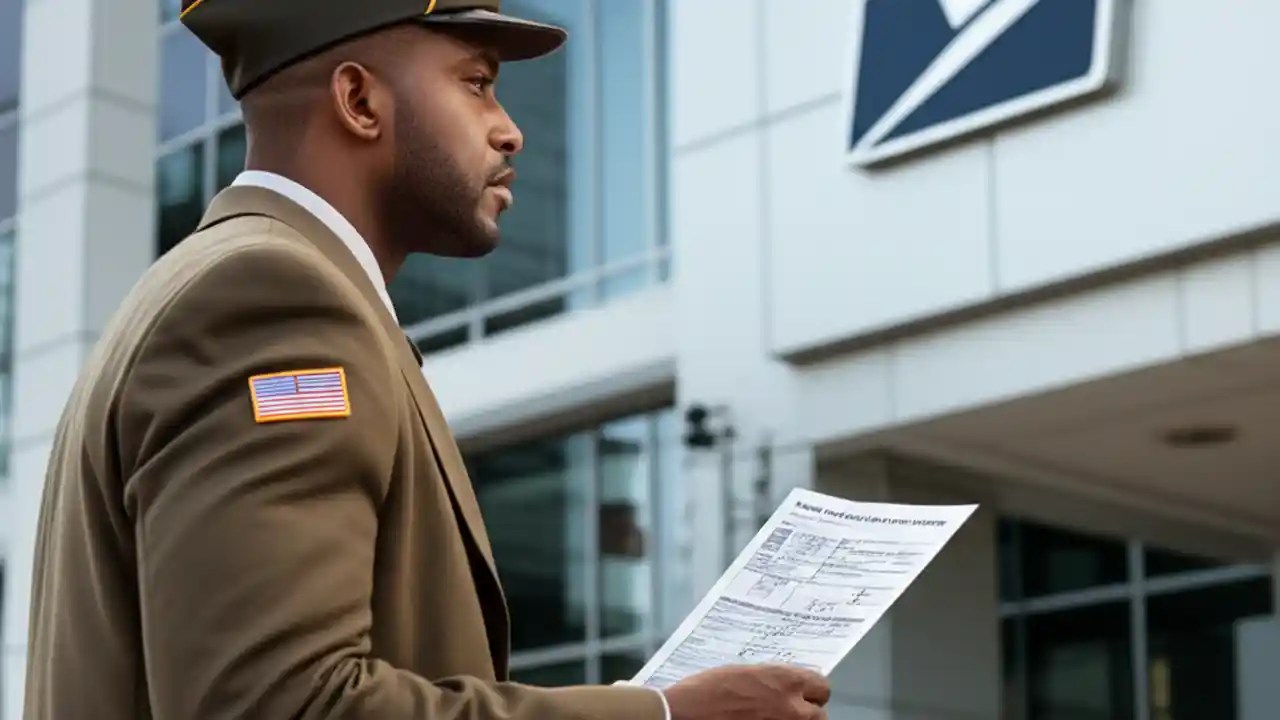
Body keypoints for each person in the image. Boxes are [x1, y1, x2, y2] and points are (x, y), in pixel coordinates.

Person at [21, 1, 833, 719]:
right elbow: (282, 705)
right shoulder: (271, 301)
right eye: (476, 83)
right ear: (358, 101)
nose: (508, 127)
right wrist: (661, 717)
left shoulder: (235, 288)